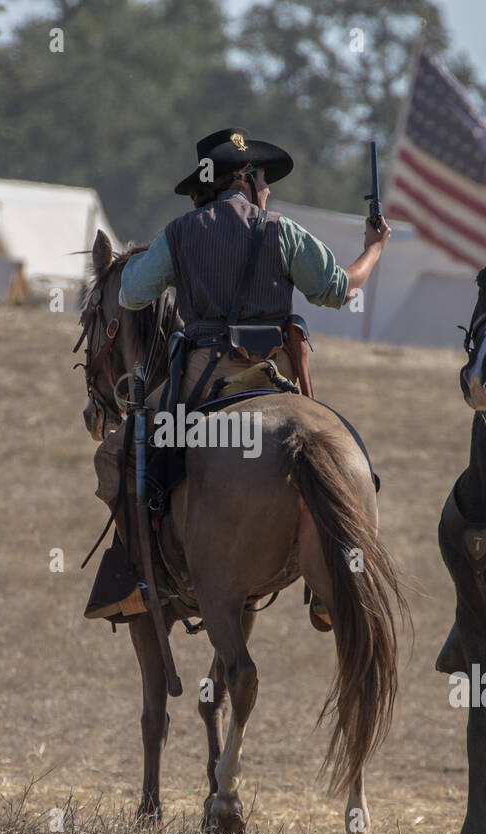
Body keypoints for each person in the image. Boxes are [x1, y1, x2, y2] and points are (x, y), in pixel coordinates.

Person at [85, 127, 391, 624]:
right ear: (245, 178)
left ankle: (142, 578)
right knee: (349, 459)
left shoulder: (181, 232)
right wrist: (375, 248)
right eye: (264, 179)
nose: (267, 190)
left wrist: (178, 262)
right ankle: (333, 581)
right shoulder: (282, 230)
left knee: (113, 456)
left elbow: (133, 294)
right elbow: (339, 289)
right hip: (277, 379)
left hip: (203, 378)